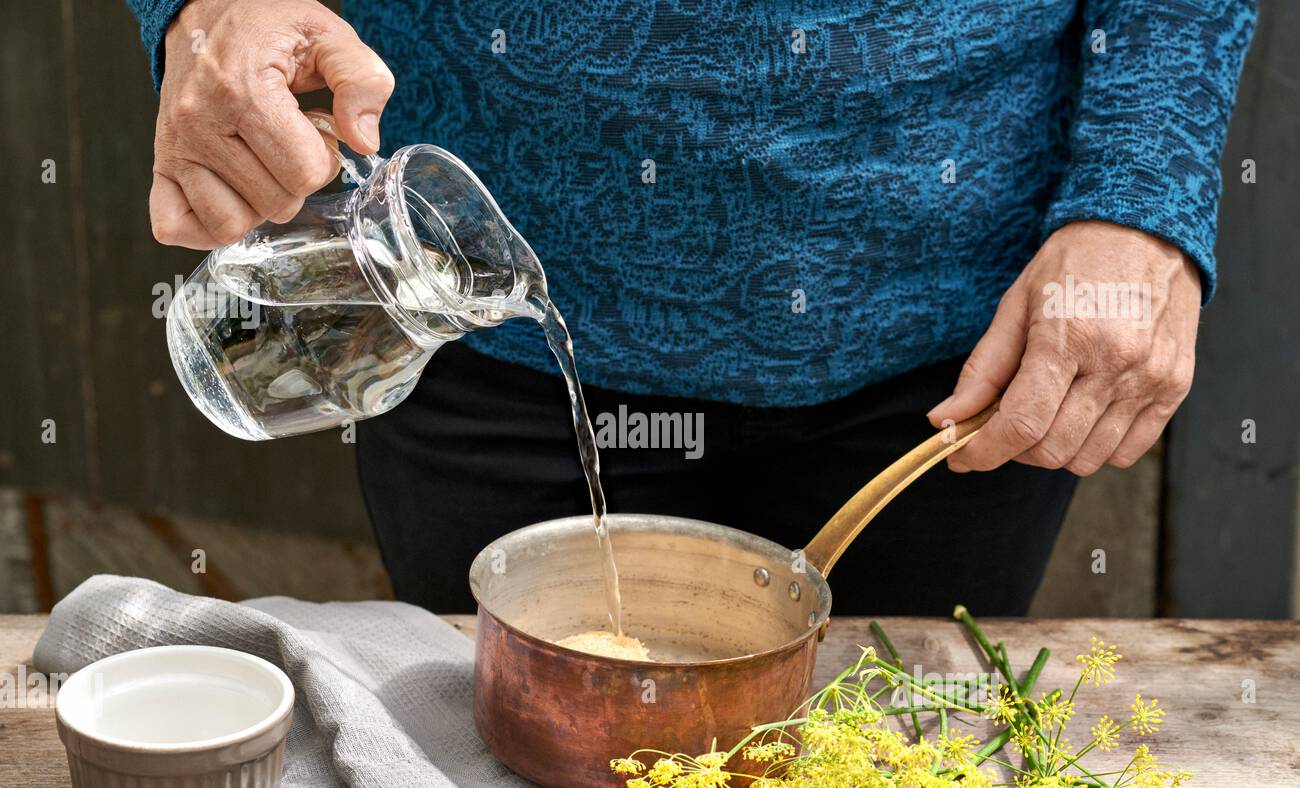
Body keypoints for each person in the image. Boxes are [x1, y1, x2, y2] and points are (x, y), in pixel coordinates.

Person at [127, 0, 1256, 614]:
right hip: (449, 297)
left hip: (949, 349)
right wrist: (201, 10)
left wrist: (1141, 192)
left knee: (902, 783)